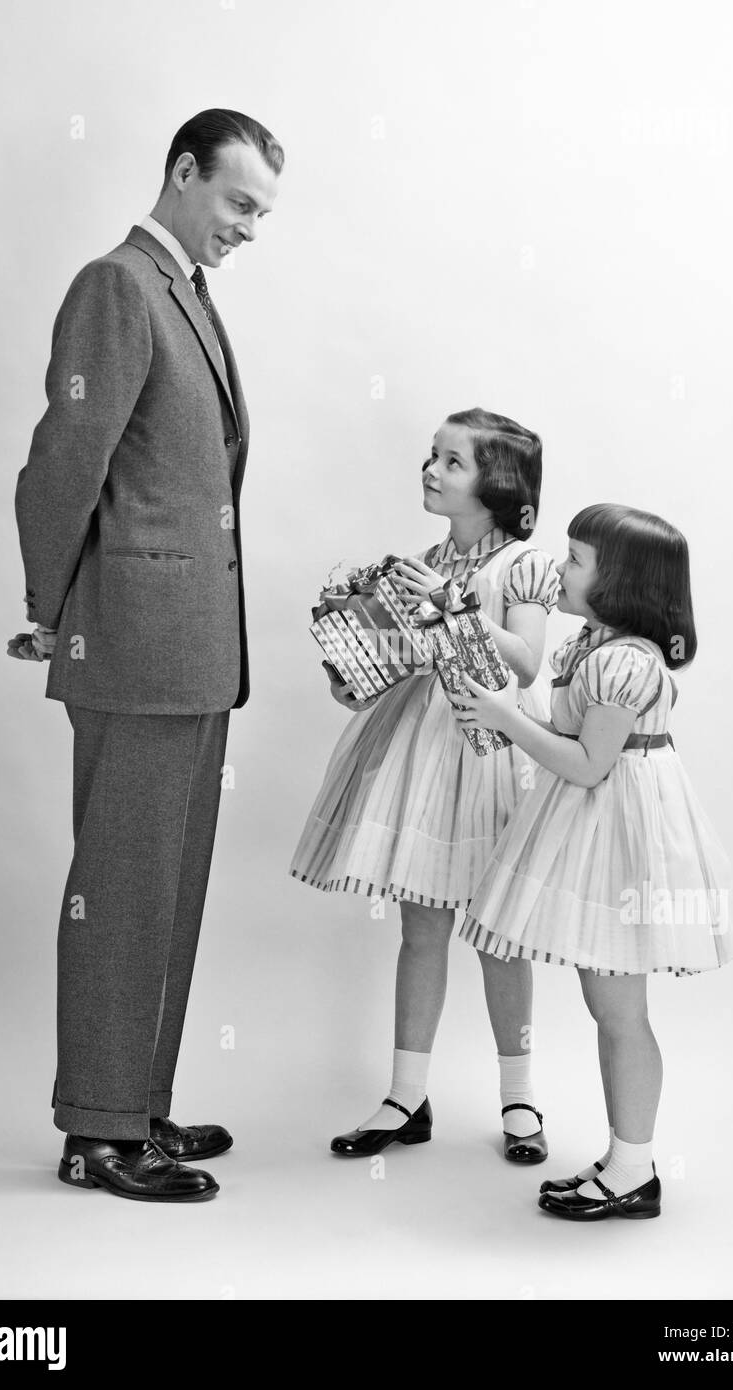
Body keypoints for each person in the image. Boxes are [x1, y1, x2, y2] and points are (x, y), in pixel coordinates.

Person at [11, 108, 283, 1202]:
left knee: (168, 886)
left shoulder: (189, 294)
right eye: (237, 203)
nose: (248, 228)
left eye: (262, 212)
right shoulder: (118, 286)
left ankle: (139, 1107)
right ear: (182, 174)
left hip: (192, 649)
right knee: (120, 888)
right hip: (130, 638)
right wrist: (48, 601)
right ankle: (95, 1133)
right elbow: (61, 461)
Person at [450, 503, 733, 1220]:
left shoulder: (621, 661)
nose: (557, 568)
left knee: (618, 1010)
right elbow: (569, 740)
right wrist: (503, 714)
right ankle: (623, 1157)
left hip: (620, 842)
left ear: (621, 581)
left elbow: (585, 765)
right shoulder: (594, 643)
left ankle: (635, 1169)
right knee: (608, 1004)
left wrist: (505, 718)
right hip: (598, 830)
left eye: (575, 560)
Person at [290, 409, 560, 1161]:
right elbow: (400, 663)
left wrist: (448, 597)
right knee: (422, 927)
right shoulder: (420, 560)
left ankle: (519, 1097)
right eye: (430, 457)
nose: (431, 471)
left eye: (451, 461)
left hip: (492, 750)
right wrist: (353, 671)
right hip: (425, 746)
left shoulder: (526, 567)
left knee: (501, 933)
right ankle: (406, 1097)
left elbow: (526, 664)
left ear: (496, 485)